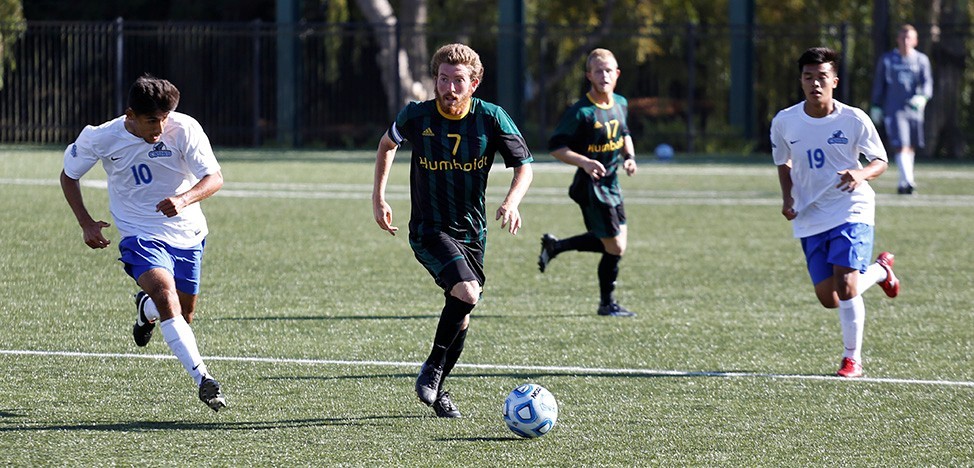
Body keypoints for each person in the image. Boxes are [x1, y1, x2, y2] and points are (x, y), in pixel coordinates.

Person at [371, 43, 533, 418]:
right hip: (430, 229)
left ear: (474, 83)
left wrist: (511, 202)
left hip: (472, 233)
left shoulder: (491, 118)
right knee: (467, 292)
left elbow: (524, 165)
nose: (449, 88)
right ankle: (432, 368)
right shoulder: (417, 116)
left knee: (462, 312)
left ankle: (438, 389)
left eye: (458, 81)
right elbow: (386, 145)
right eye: (443, 79)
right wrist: (378, 197)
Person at [60, 74, 227, 411]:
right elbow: (69, 175)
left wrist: (184, 199)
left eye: (165, 118)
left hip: (188, 232)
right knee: (166, 297)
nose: (160, 127)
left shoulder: (185, 129)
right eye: (152, 119)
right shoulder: (101, 137)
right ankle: (204, 379)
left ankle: (144, 309)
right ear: (130, 115)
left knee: (185, 312)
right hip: (139, 232)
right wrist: (86, 223)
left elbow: (214, 178)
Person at [771, 47, 901, 378]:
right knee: (829, 297)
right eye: (808, 77)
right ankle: (881, 272)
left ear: (835, 81)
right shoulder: (785, 121)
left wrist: (860, 174)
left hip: (851, 206)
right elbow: (783, 163)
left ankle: (852, 359)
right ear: (801, 81)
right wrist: (788, 198)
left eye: (822, 77)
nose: (815, 83)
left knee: (845, 285)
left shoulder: (853, 118)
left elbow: (881, 160)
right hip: (810, 214)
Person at [538, 48, 638, 317]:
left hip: (612, 183)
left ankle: (556, 246)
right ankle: (606, 304)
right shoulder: (580, 112)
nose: (604, 75)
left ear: (617, 74)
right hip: (591, 187)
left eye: (608, 71)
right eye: (598, 71)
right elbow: (556, 147)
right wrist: (584, 161)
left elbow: (625, 132)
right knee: (615, 246)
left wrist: (630, 157)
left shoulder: (621, 102)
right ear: (589, 76)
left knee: (617, 245)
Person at [870, 24, 933, 195]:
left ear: (915, 41)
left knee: (910, 146)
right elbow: (879, 84)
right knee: (901, 144)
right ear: (898, 39)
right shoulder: (888, 59)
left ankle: (903, 183)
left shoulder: (921, 60)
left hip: (914, 110)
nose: (905, 41)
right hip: (894, 109)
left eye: (909, 38)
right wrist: (876, 105)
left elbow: (927, 82)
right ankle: (909, 181)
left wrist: (923, 97)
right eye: (902, 37)